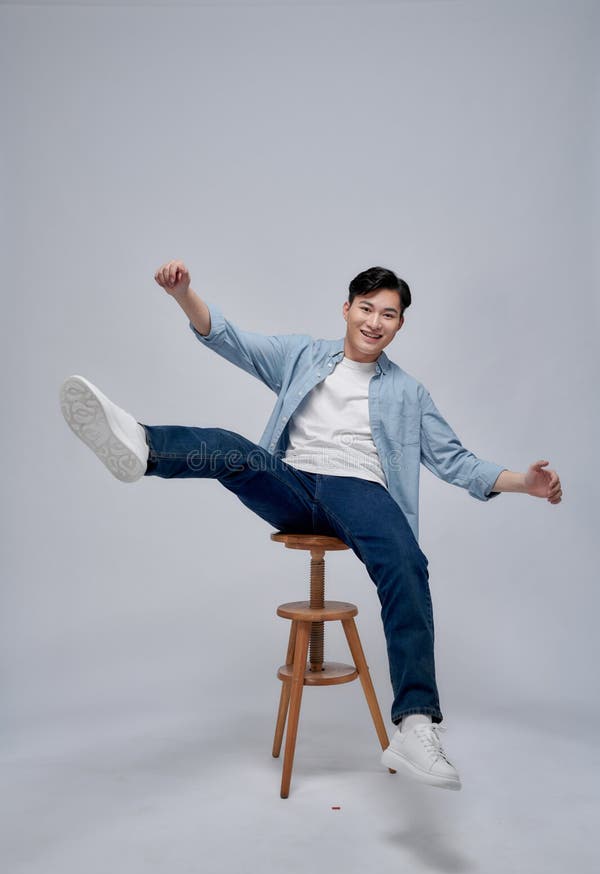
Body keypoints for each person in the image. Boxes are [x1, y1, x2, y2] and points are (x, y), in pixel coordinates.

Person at [59, 259, 563, 791]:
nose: (374, 322)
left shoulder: (408, 393)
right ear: (346, 310)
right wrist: (185, 294)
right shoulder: (303, 354)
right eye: (366, 308)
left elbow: (455, 460)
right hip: (294, 483)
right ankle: (141, 445)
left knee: (406, 562)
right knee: (232, 448)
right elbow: (233, 341)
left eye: (387, 315)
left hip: (359, 487)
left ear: (399, 325)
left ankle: (416, 726)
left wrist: (520, 482)